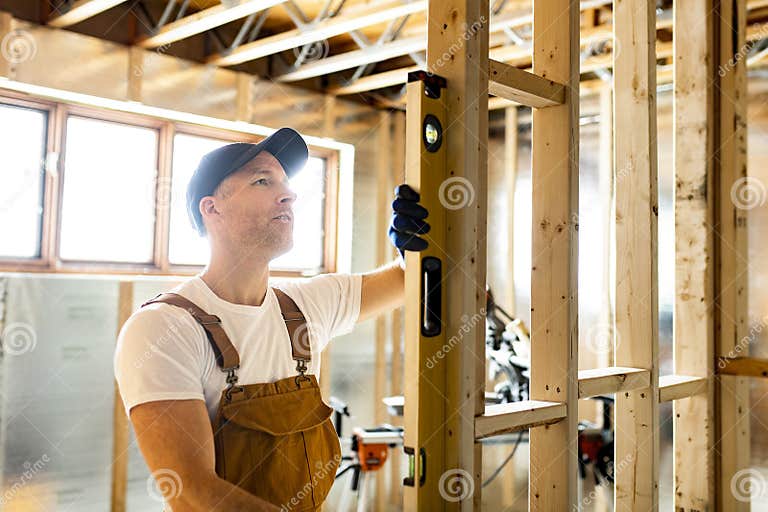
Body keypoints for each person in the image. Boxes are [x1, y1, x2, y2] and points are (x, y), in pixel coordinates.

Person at [113, 127, 430, 512]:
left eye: (286, 182)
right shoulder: (163, 329)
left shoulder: (303, 307)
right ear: (212, 208)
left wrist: (414, 244)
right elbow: (194, 493)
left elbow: (408, 280)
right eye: (263, 180)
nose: (290, 193)